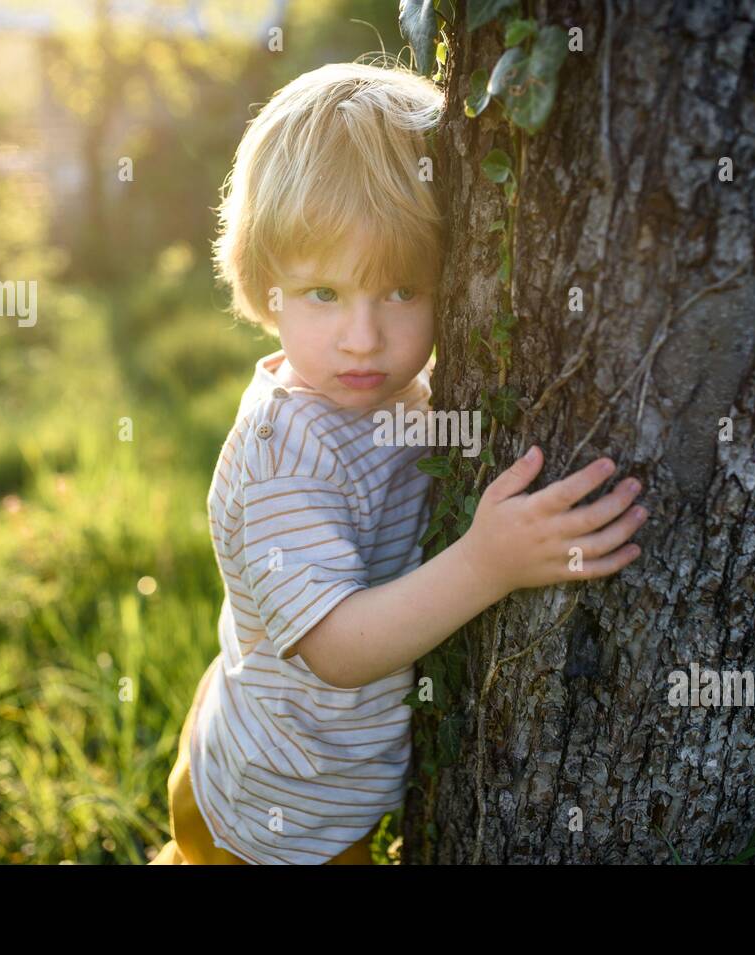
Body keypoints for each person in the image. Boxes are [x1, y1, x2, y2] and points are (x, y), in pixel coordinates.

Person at [150, 60, 648, 865]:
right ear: (267, 285)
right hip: (278, 813)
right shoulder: (290, 452)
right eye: (322, 294)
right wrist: (489, 562)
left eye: (400, 291)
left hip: (310, 770)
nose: (362, 337)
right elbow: (337, 646)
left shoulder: (398, 394)